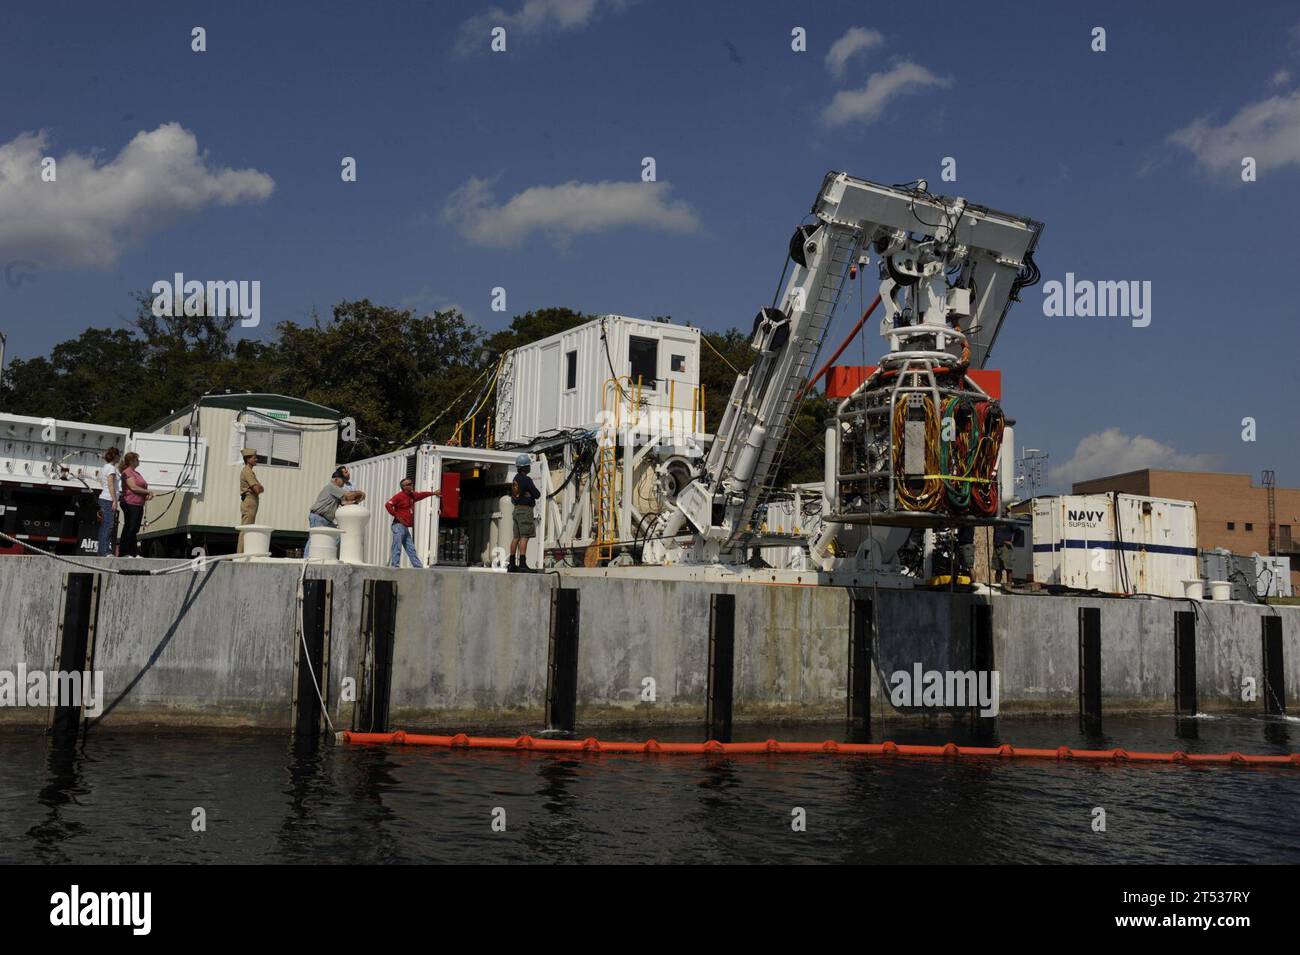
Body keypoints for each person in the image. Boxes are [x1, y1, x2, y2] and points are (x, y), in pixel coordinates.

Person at [306, 468, 365, 558]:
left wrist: (356, 501)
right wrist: (359, 493)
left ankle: (325, 557)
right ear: (336, 479)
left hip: (325, 519)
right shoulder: (332, 487)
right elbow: (348, 496)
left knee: (336, 536)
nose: (343, 484)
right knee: (314, 539)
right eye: (342, 481)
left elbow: (345, 503)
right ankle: (306, 558)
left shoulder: (336, 491)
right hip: (319, 517)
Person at [384, 477, 440, 568]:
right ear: (404, 487)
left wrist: (433, 493)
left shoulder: (412, 495)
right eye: (409, 484)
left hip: (404, 526)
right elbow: (388, 505)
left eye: (411, 483)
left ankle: (418, 567)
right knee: (397, 546)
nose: (412, 485)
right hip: (398, 525)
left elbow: (422, 494)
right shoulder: (399, 496)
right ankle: (395, 566)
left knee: (411, 548)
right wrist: (396, 515)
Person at [118, 452, 154, 558]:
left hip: (138, 504)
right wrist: (147, 492)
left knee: (135, 528)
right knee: (130, 527)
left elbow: (142, 488)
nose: (139, 461)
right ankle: (125, 552)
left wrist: (147, 495)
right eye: (137, 460)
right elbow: (133, 487)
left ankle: (133, 552)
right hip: (129, 503)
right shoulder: (127, 472)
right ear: (131, 461)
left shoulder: (137, 473)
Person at [508, 453, 540, 573]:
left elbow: (514, 496)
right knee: (524, 537)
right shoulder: (526, 480)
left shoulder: (515, 479)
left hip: (516, 510)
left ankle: (511, 564)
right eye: (528, 465)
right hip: (525, 510)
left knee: (515, 537)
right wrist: (529, 494)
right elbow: (537, 494)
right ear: (525, 467)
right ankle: (522, 564)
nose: (530, 467)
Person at [236, 448, 264, 554]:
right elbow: (257, 489)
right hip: (249, 501)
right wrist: (259, 487)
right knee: (246, 529)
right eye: (254, 457)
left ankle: (243, 553)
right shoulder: (247, 471)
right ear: (248, 459)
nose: (256, 459)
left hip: (252, 501)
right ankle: (240, 554)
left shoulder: (250, 471)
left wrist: (260, 488)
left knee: (248, 529)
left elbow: (260, 488)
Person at [97, 447, 120, 556]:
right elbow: (111, 485)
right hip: (108, 499)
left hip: (104, 497)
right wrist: (114, 500)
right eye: (119, 455)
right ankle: (105, 551)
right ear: (115, 456)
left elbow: (102, 481)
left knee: (105, 525)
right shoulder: (111, 468)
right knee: (109, 525)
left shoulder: (104, 467)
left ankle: (101, 550)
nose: (120, 457)